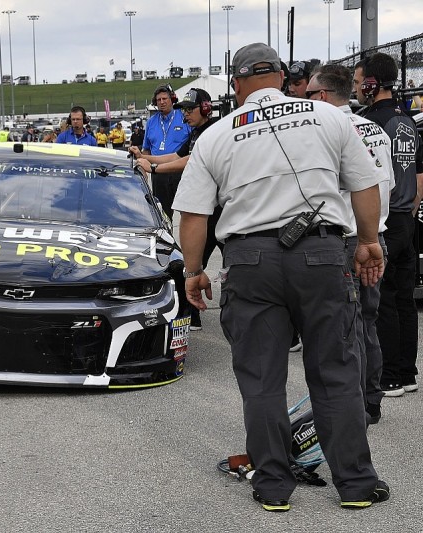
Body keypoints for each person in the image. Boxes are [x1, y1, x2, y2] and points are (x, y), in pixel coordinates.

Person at [173, 43, 388, 512]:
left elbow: (192, 215)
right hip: (321, 253)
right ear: (284, 76)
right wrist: (369, 240)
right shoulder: (329, 117)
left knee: (262, 380)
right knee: (336, 373)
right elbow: (364, 182)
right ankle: (355, 484)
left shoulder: (216, 134)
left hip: (250, 261)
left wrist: (193, 271)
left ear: (235, 86)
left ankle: (272, 486)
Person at [307, 64, 394, 424]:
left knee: (345, 329)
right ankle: (371, 400)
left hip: (345, 240)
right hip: (376, 236)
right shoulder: (374, 129)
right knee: (367, 323)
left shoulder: (324, 132)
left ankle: (352, 405)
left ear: (323, 96)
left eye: (309, 94)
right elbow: (384, 184)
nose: (304, 100)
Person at [354, 52, 423, 397]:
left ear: (371, 83)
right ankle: (407, 371)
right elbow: (420, 176)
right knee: (405, 298)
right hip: (407, 219)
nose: (356, 88)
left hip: (383, 219)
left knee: (384, 300)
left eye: (358, 81)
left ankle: (390, 375)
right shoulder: (407, 119)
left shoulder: (371, 122)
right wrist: (409, 213)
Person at [135, 88, 220, 331]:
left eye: (190, 109)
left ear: (205, 108)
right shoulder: (194, 133)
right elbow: (174, 155)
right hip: (207, 211)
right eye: (183, 109)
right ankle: (193, 316)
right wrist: (148, 159)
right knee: (192, 266)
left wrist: (153, 169)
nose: (185, 114)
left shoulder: (212, 132)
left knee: (239, 268)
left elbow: (190, 161)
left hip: (223, 211)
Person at [136, 85, 191, 216]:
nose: (162, 102)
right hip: (157, 172)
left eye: (165, 98)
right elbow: (146, 150)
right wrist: (144, 172)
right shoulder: (151, 122)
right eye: (159, 99)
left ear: (172, 99)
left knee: (187, 211)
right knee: (162, 213)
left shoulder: (184, 118)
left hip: (179, 171)